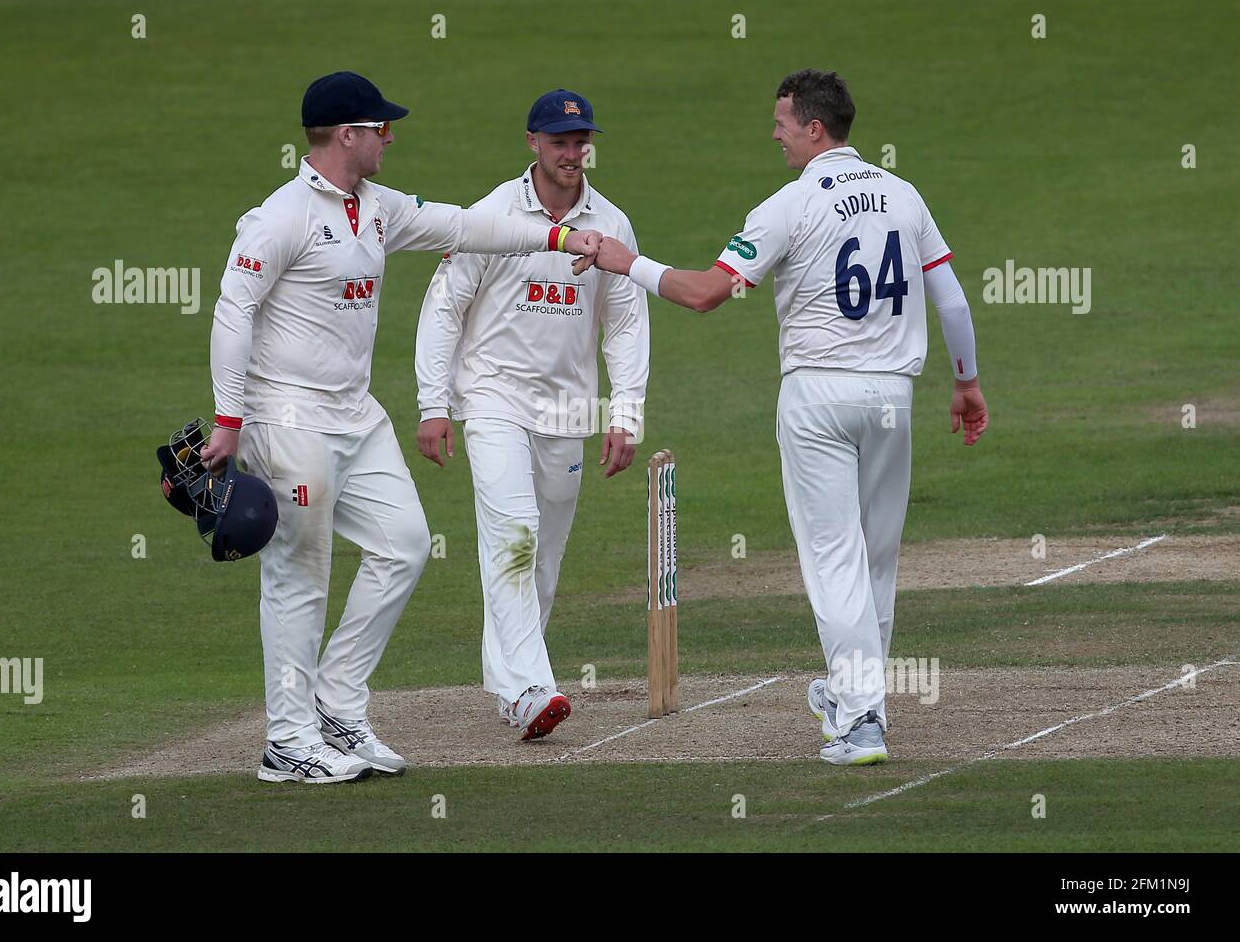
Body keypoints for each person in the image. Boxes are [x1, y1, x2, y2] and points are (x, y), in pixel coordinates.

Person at [201, 72, 602, 783]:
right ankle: (288, 743)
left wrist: (557, 233)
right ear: (347, 135)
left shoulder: (377, 208)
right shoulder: (281, 216)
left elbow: (465, 226)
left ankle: (337, 706)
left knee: (407, 546)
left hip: (356, 414)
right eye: (380, 128)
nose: (391, 137)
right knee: (300, 574)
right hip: (288, 415)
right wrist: (230, 420)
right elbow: (234, 310)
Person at [588, 69, 988, 766]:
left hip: (818, 401)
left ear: (813, 128)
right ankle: (852, 696)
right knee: (876, 559)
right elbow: (951, 302)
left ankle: (861, 718)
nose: (773, 135)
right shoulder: (903, 194)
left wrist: (631, 265)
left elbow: (708, 293)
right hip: (893, 399)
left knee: (835, 560)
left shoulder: (790, 205)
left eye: (782, 124)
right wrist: (967, 384)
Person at [414, 89, 649, 740]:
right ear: (532, 144)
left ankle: (513, 688)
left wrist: (624, 411)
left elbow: (624, 325)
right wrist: (435, 404)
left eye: (580, 143)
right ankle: (528, 689)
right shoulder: (491, 217)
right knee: (512, 533)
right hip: (493, 399)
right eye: (559, 143)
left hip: (567, 408)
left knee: (541, 556)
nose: (572, 154)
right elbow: (443, 310)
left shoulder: (613, 225)